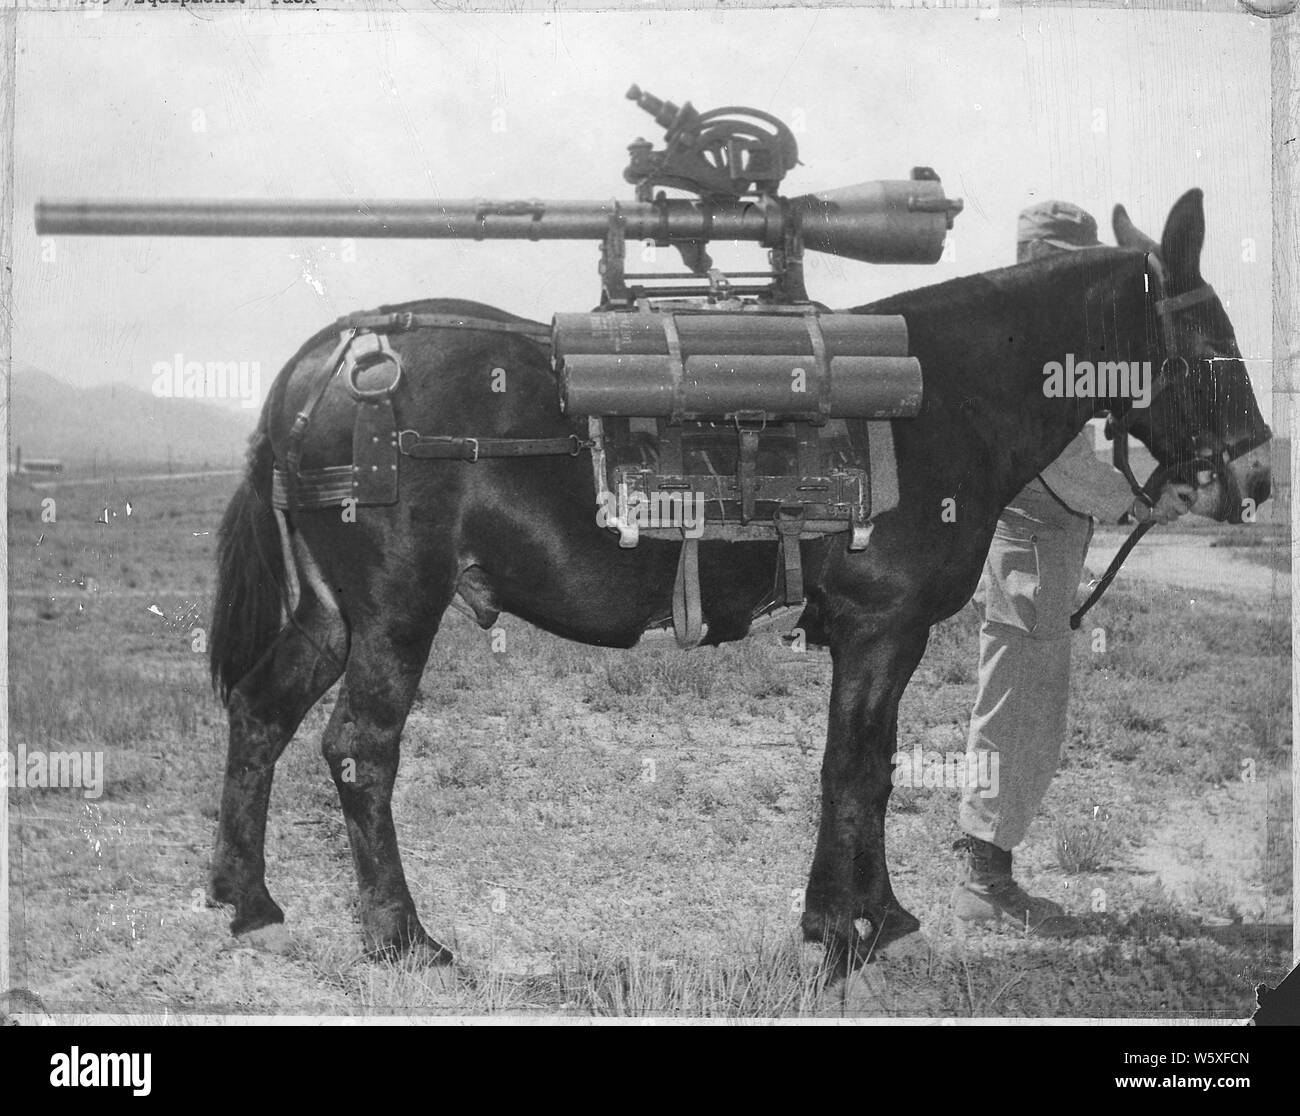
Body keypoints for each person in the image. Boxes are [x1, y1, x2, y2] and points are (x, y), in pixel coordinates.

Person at [953, 200, 1195, 929]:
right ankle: (982, 879)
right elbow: (1065, 462)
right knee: (1017, 702)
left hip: (1045, 540)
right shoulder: (1027, 344)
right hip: (1031, 539)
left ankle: (988, 868)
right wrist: (1141, 499)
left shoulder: (1047, 341)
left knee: (1031, 703)